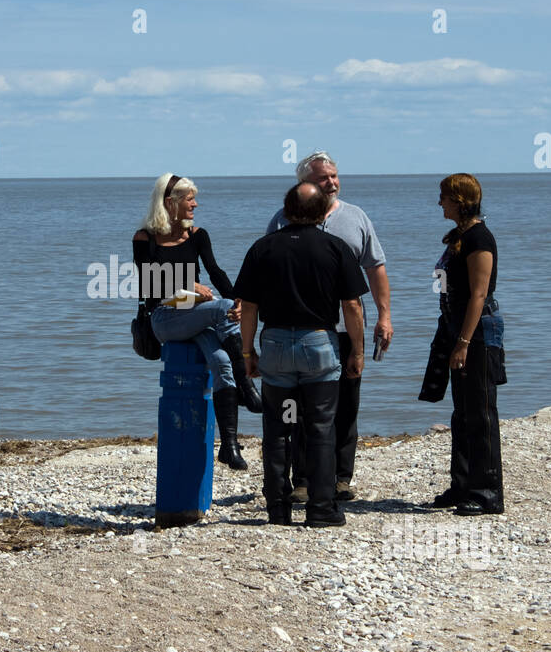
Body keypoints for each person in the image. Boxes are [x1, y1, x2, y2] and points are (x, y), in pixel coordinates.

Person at [235, 183, 367, 527]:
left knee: (278, 428)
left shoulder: (262, 248)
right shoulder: (335, 247)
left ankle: (278, 508)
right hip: (318, 342)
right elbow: (352, 306)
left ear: (287, 210)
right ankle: (321, 508)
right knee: (321, 427)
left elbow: (248, 307)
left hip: (276, 343)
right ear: (324, 211)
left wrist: (247, 351)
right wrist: (358, 350)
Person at [265, 151, 392, 503]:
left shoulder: (355, 218)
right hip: (302, 329)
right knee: (304, 408)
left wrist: (384, 316)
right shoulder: (282, 220)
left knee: (346, 405)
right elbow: (271, 270)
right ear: (304, 183)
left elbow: (376, 268)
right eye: (324, 178)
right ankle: (304, 479)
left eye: (335, 176)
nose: (332, 183)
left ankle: (341, 478)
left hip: (347, 327)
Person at [133, 173, 262, 472]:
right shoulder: (145, 238)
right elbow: (149, 282)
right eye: (189, 199)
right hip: (164, 316)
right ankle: (247, 388)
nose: (195, 204)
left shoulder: (198, 235)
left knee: (221, 363)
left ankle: (229, 446)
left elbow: (215, 271)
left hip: (196, 314)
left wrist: (238, 300)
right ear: (170, 202)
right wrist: (189, 286)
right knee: (222, 309)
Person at [418, 173, 506, 515]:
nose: (439, 202)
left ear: (461, 200)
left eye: (444, 197)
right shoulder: (459, 237)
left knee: (481, 412)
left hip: (478, 331)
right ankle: (463, 484)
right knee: (462, 412)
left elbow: (479, 295)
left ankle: (487, 493)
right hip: (456, 326)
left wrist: (464, 342)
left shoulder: (479, 238)